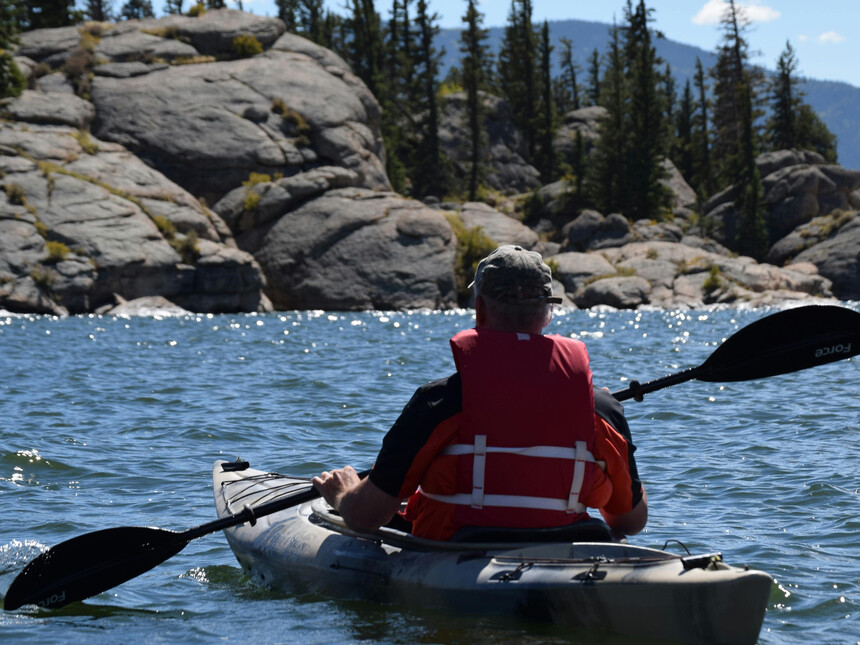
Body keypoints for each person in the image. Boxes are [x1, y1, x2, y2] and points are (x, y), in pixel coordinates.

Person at [313, 245, 647, 540]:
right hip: (564, 551)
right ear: (548, 313)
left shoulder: (438, 403)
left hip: (459, 556)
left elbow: (365, 517)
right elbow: (630, 521)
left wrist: (342, 495)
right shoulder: (601, 409)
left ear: (480, 309)